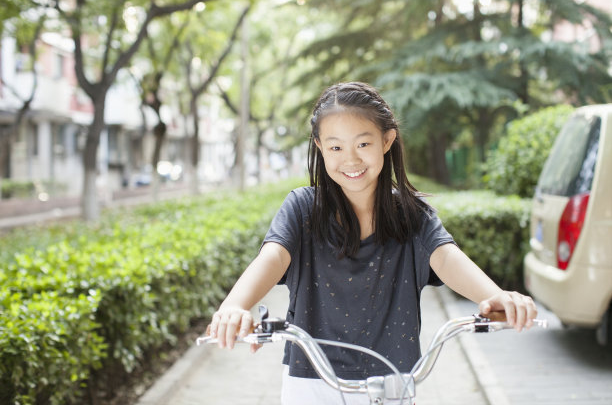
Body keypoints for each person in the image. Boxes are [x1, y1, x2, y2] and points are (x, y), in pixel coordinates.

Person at [207, 81, 537, 404]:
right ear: (320, 147)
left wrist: (496, 297)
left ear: (387, 140)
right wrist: (234, 306)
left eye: (363, 144)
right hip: (309, 382)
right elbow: (272, 257)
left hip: (391, 382)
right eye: (336, 147)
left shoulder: (414, 215)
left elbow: (447, 258)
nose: (350, 159)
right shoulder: (302, 208)